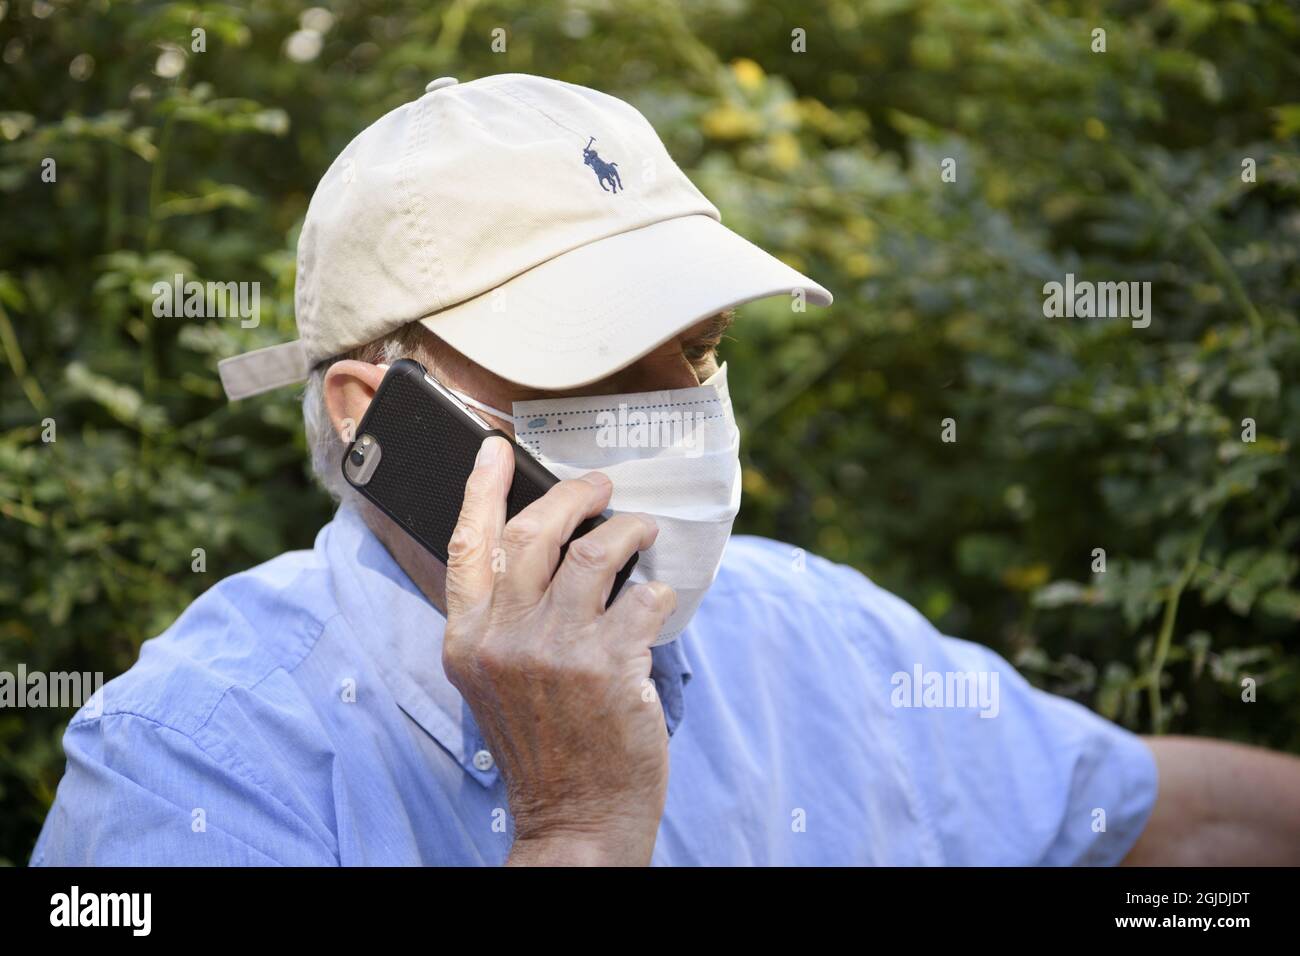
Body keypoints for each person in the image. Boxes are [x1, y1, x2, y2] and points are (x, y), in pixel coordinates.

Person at [32, 74, 1300, 866]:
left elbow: (1137, 815)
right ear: (380, 425)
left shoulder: (811, 631)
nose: (680, 417)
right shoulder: (189, 764)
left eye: (696, 351)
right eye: (586, 367)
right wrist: (578, 827)